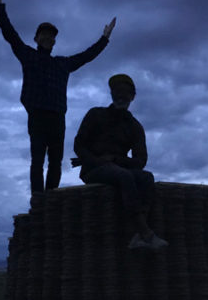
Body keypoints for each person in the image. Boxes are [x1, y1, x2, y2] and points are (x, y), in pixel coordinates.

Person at [0, 0, 116, 194]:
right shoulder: (28, 56)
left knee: (55, 163)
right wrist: (0, 6)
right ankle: (38, 201)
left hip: (57, 118)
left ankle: (50, 200)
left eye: (51, 36)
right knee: (37, 162)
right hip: (38, 115)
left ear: (54, 41)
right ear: (36, 38)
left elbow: (87, 56)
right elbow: (10, 34)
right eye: (44, 34)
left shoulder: (62, 64)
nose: (48, 38)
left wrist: (104, 38)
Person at [72, 74, 168, 250]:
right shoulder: (95, 114)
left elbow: (140, 161)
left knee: (146, 178)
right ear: (111, 94)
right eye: (117, 91)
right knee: (123, 176)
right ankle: (146, 233)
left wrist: (116, 159)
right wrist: (97, 161)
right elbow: (79, 145)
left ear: (132, 96)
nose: (121, 95)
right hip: (93, 170)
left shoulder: (134, 126)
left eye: (125, 92)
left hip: (118, 168)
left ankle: (138, 235)